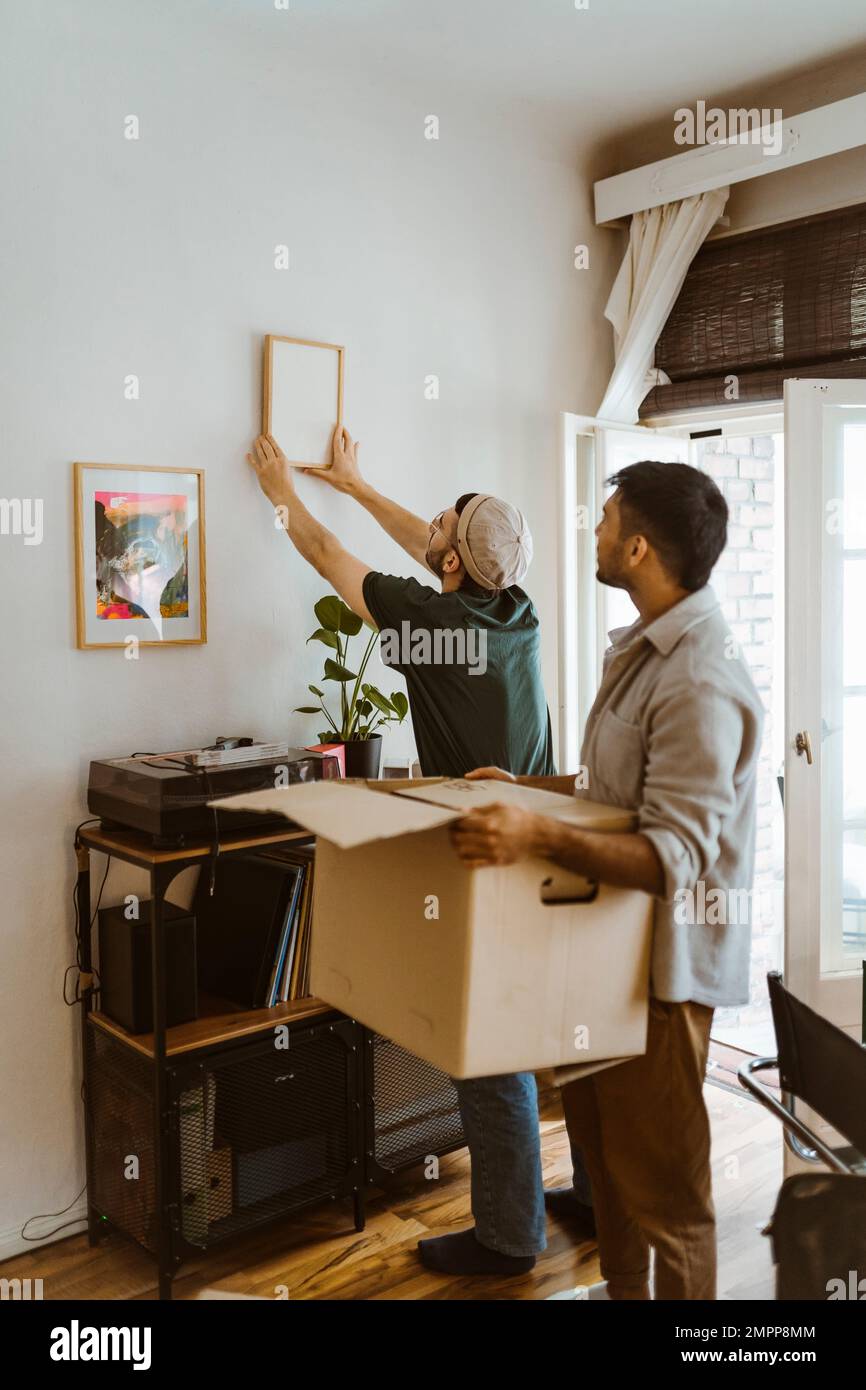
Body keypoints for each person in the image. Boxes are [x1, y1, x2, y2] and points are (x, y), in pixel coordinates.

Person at [246, 427, 556, 1274]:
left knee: (485, 1052)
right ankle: (578, 1200)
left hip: (481, 859)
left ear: (451, 564)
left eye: (443, 526)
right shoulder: (514, 614)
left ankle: (507, 1239)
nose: (431, 527)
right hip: (540, 853)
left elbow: (325, 555)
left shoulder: (432, 618)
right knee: (536, 1031)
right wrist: (355, 479)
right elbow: (423, 554)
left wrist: (282, 489)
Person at [454, 460, 763, 1300]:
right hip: (601, 962)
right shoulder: (643, 652)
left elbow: (671, 855)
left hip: (662, 980)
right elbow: (610, 797)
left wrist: (530, 832)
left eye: (603, 519)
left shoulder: (699, 677)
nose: (590, 531)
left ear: (636, 547)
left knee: (671, 1205)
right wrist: (526, 791)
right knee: (610, 1178)